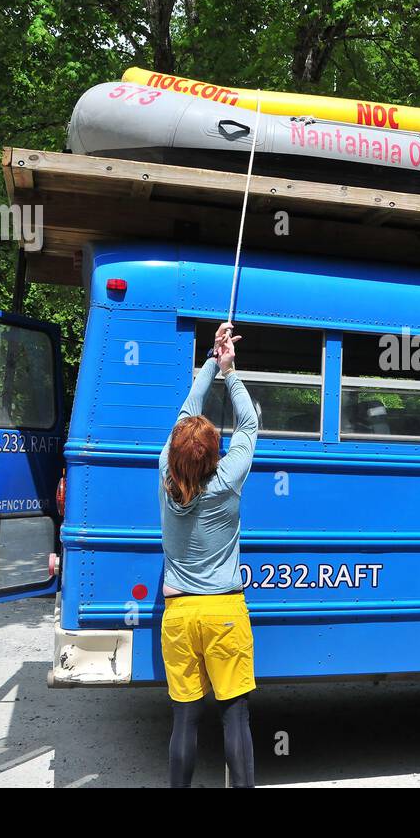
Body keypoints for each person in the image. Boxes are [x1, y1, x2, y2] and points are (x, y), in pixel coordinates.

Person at [158, 321, 259, 788]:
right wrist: (228, 368)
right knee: (234, 718)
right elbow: (250, 424)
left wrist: (207, 365)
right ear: (214, 454)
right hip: (224, 610)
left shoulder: (166, 475)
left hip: (178, 612)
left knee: (185, 720)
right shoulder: (229, 479)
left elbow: (186, 411)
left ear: (176, 453)